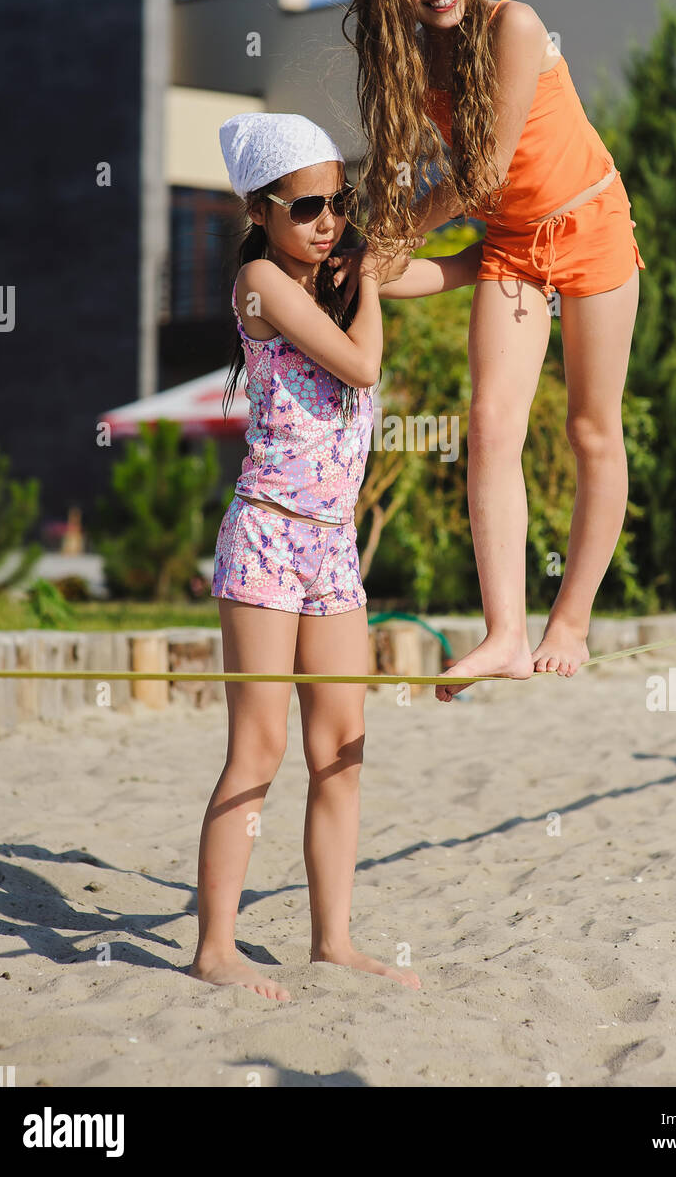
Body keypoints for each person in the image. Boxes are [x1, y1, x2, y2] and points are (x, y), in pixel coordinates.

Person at [190, 111, 480, 998]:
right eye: (309, 206)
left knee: (343, 747)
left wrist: (511, 250)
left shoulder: (335, 269)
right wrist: (373, 290)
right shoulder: (260, 284)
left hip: (333, 548)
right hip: (269, 535)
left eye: (340, 203)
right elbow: (359, 366)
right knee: (260, 749)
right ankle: (214, 949)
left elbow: (453, 269)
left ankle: (333, 940)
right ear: (261, 209)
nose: (329, 221)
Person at [343, 0, 646, 701]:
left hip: (590, 226)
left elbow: (481, 172)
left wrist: (399, 235)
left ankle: (571, 619)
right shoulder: (408, 61)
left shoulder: (514, 25)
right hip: (510, 246)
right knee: (488, 425)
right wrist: (369, 259)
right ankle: (506, 631)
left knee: (591, 428)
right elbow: (410, 192)